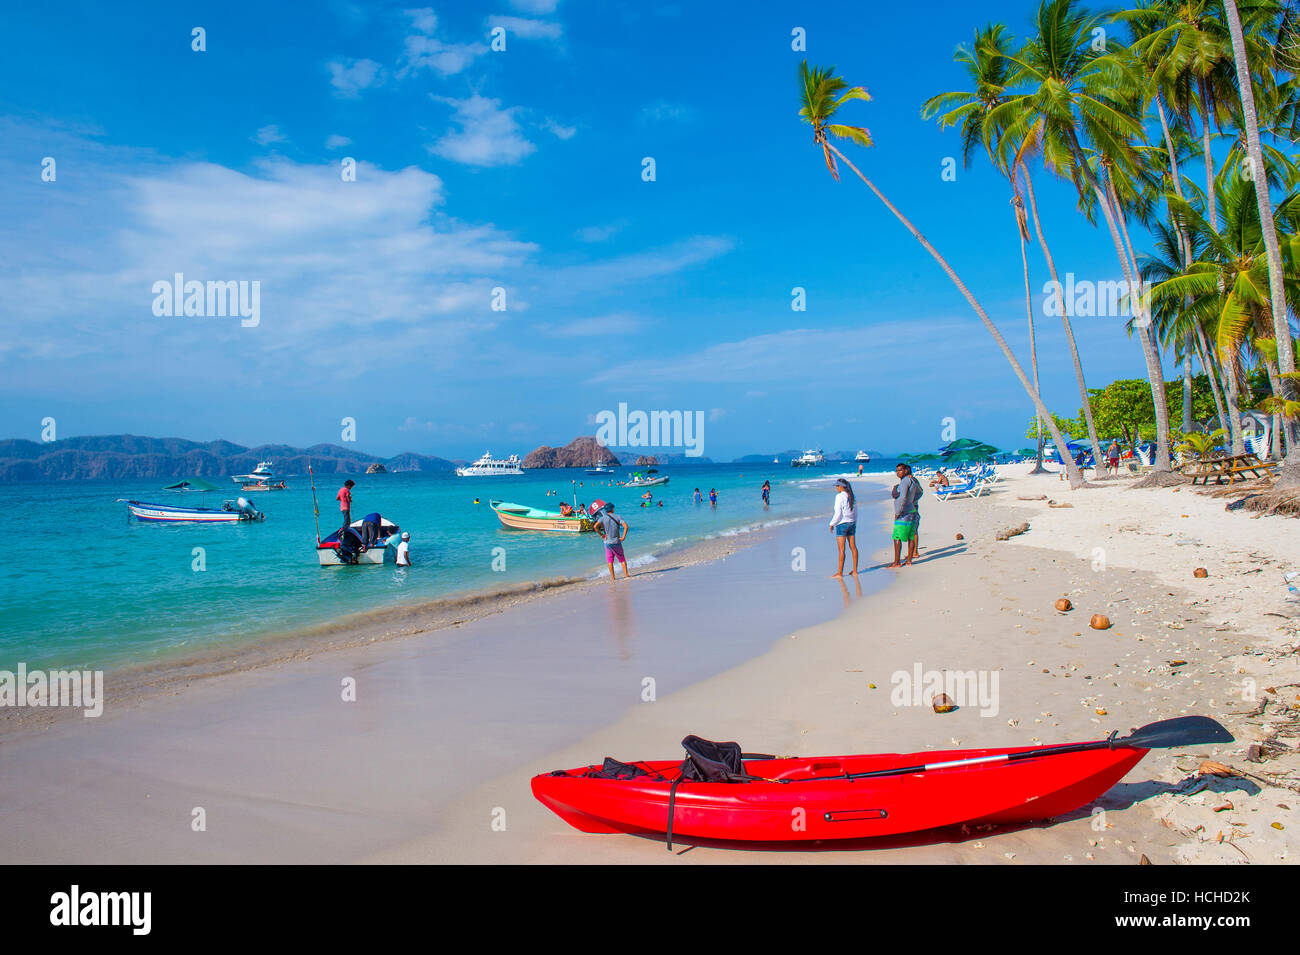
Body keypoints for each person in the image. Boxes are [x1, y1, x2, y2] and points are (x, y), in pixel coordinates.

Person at [891, 463, 922, 567]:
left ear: (905, 471)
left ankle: (897, 562)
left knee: (897, 537)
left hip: (904, 512)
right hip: (912, 510)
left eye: (900, 470)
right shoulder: (912, 480)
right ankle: (909, 560)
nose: (898, 472)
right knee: (911, 536)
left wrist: (897, 512)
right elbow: (920, 493)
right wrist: (912, 501)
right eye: (897, 470)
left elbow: (902, 497)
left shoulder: (905, 481)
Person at [829, 477, 858, 578]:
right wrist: (854, 522)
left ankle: (840, 572)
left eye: (837, 486)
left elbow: (838, 513)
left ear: (842, 487)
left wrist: (832, 523)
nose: (836, 488)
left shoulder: (839, 496)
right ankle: (855, 571)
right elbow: (855, 512)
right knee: (853, 547)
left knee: (841, 550)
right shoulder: (852, 496)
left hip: (842, 524)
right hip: (852, 523)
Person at [593, 502, 630, 581]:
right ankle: (626, 576)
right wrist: (623, 537)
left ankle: (613, 578)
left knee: (610, 561)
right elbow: (626, 526)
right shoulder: (618, 517)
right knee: (622, 559)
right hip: (616, 542)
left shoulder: (603, 518)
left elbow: (595, 526)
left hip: (607, 543)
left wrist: (601, 535)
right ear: (612, 509)